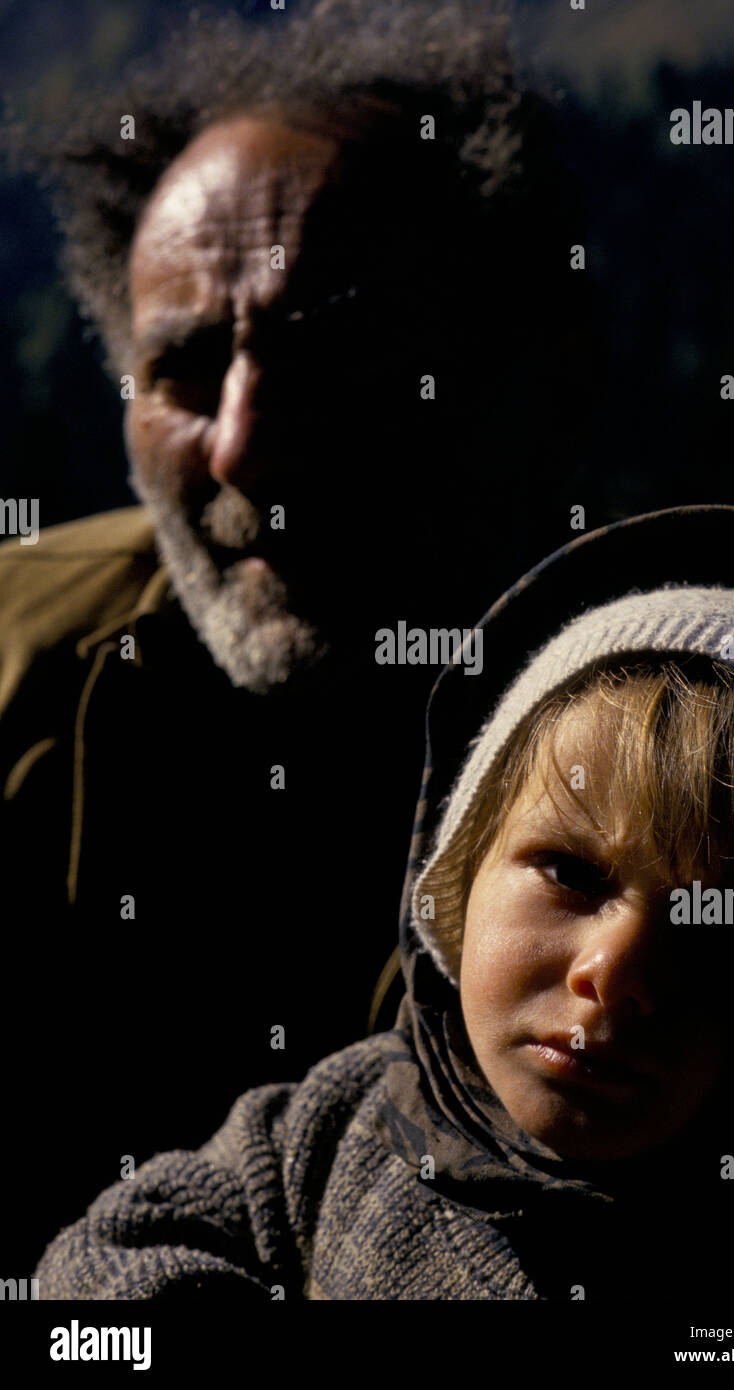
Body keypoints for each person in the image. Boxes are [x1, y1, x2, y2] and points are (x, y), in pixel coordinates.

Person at [34, 504, 734, 1301]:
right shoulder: (339, 1120)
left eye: (709, 926)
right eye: (571, 873)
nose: (615, 971)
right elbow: (100, 1260)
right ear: (457, 883)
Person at [0, 2, 585, 1065]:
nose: (239, 447)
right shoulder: (12, 667)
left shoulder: (680, 750)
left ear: (498, 373)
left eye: (328, 352)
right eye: (181, 370)